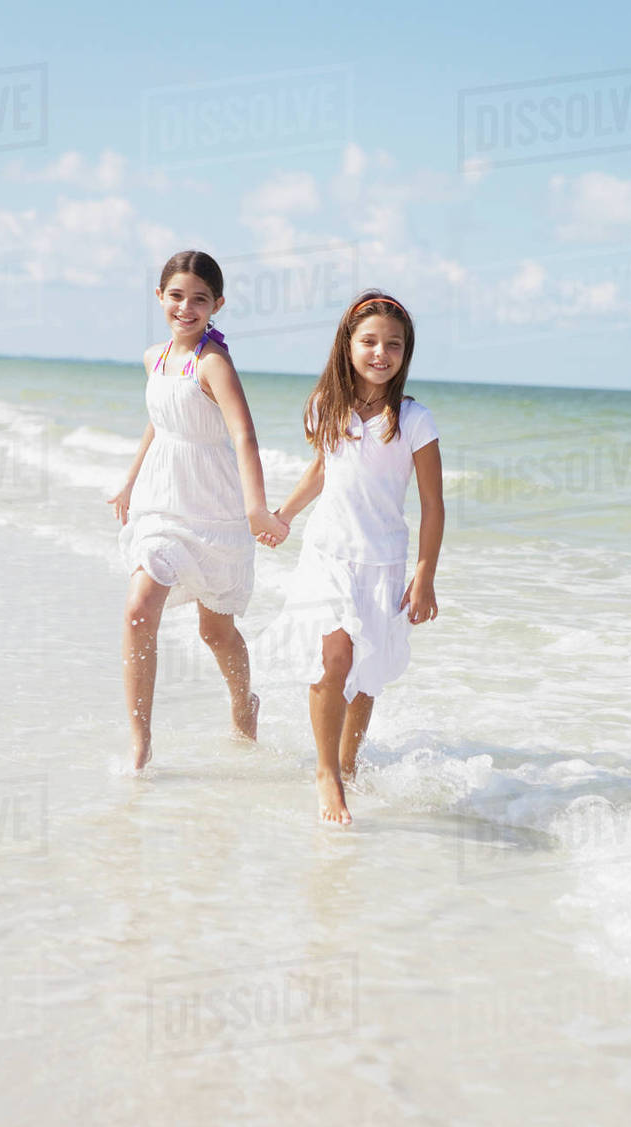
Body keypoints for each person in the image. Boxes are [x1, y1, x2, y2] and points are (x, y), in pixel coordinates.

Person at [259, 290, 444, 825]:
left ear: (406, 354)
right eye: (369, 341)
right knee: (333, 657)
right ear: (348, 344)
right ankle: (326, 774)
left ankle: (347, 761)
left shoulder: (413, 420)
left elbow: (434, 505)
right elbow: (323, 470)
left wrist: (425, 575)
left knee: (364, 673)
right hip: (328, 553)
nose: (380, 353)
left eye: (394, 344)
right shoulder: (328, 406)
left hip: (382, 561)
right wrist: (285, 514)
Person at [109, 249, 288, 770]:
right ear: (160, 298)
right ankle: (141, 740)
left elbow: (244, 435)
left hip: (213, 508)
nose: (186, 307)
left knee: (216, 631)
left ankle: (243, 703)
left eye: (199, 299)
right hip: (161, 503)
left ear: (217, 305)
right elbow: (160, 419)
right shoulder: (154, 357)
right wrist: (129, 481)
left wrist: (256, 509)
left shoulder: (213, 363)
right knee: (139, 609)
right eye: (177, 296)